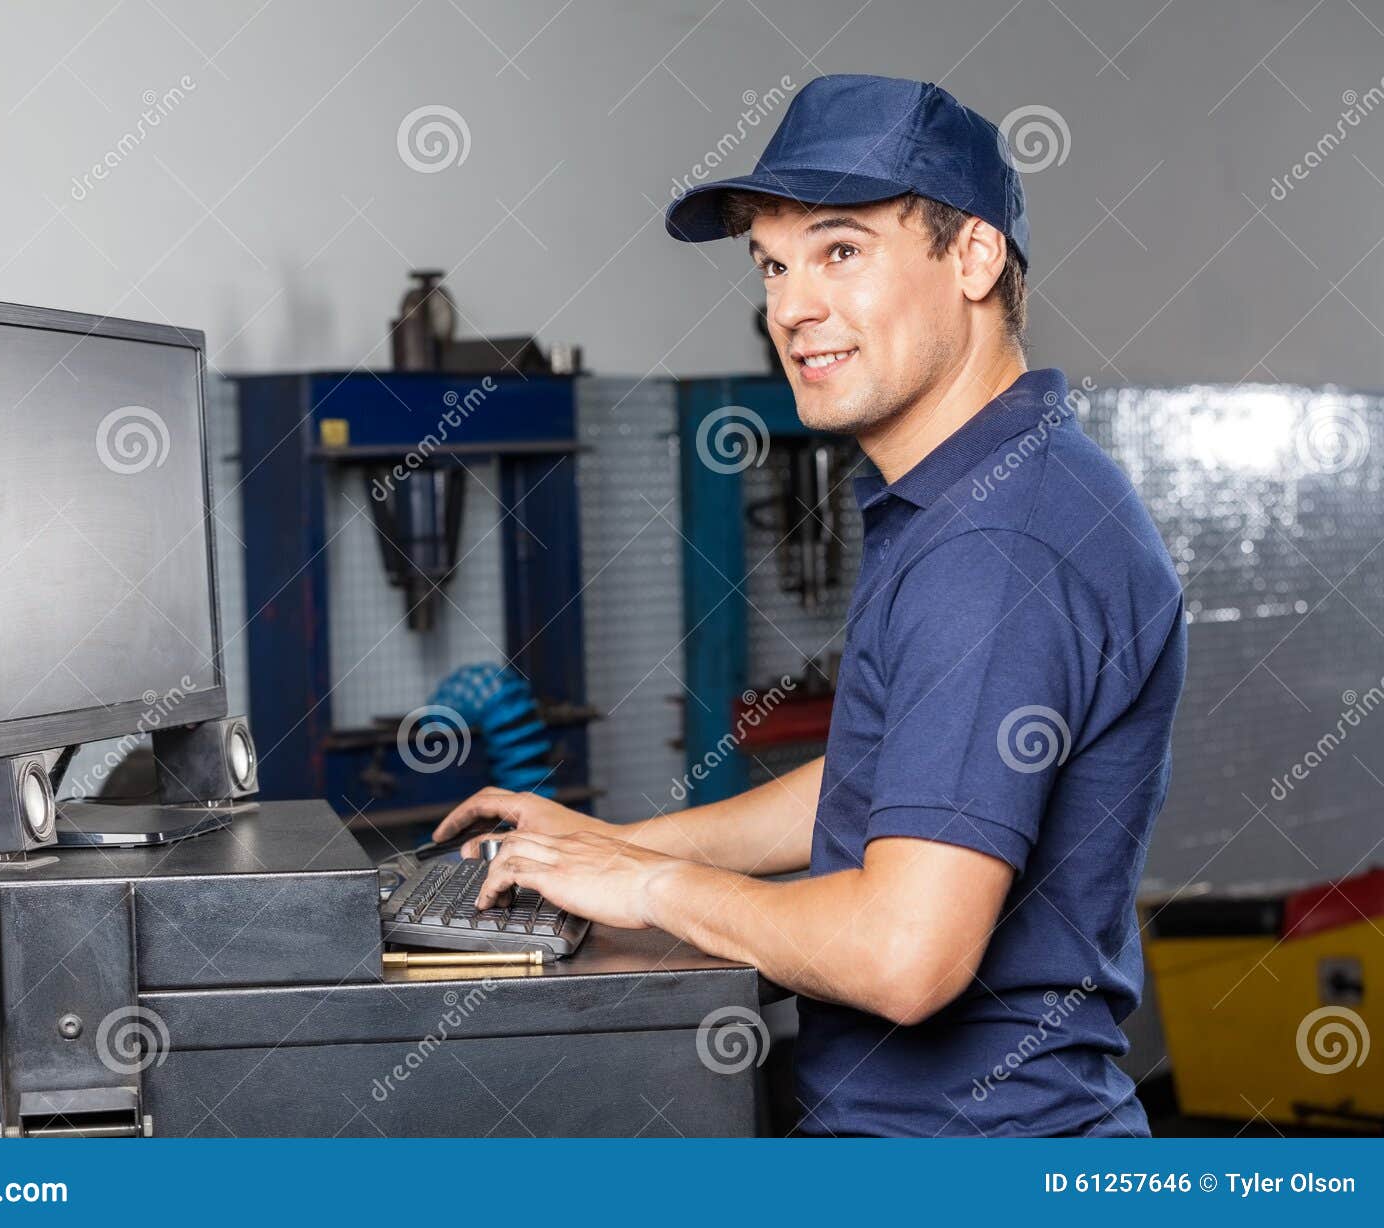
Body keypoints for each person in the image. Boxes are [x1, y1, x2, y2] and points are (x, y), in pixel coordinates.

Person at [432, 74, 1186, 1137]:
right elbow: (909, 773)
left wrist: (651, 891)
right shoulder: (991, 485)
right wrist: (629, 848)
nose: (790, 307)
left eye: (841, 251)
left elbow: (902, 955)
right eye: (772, 265)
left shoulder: (997, 545)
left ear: (972, 257)